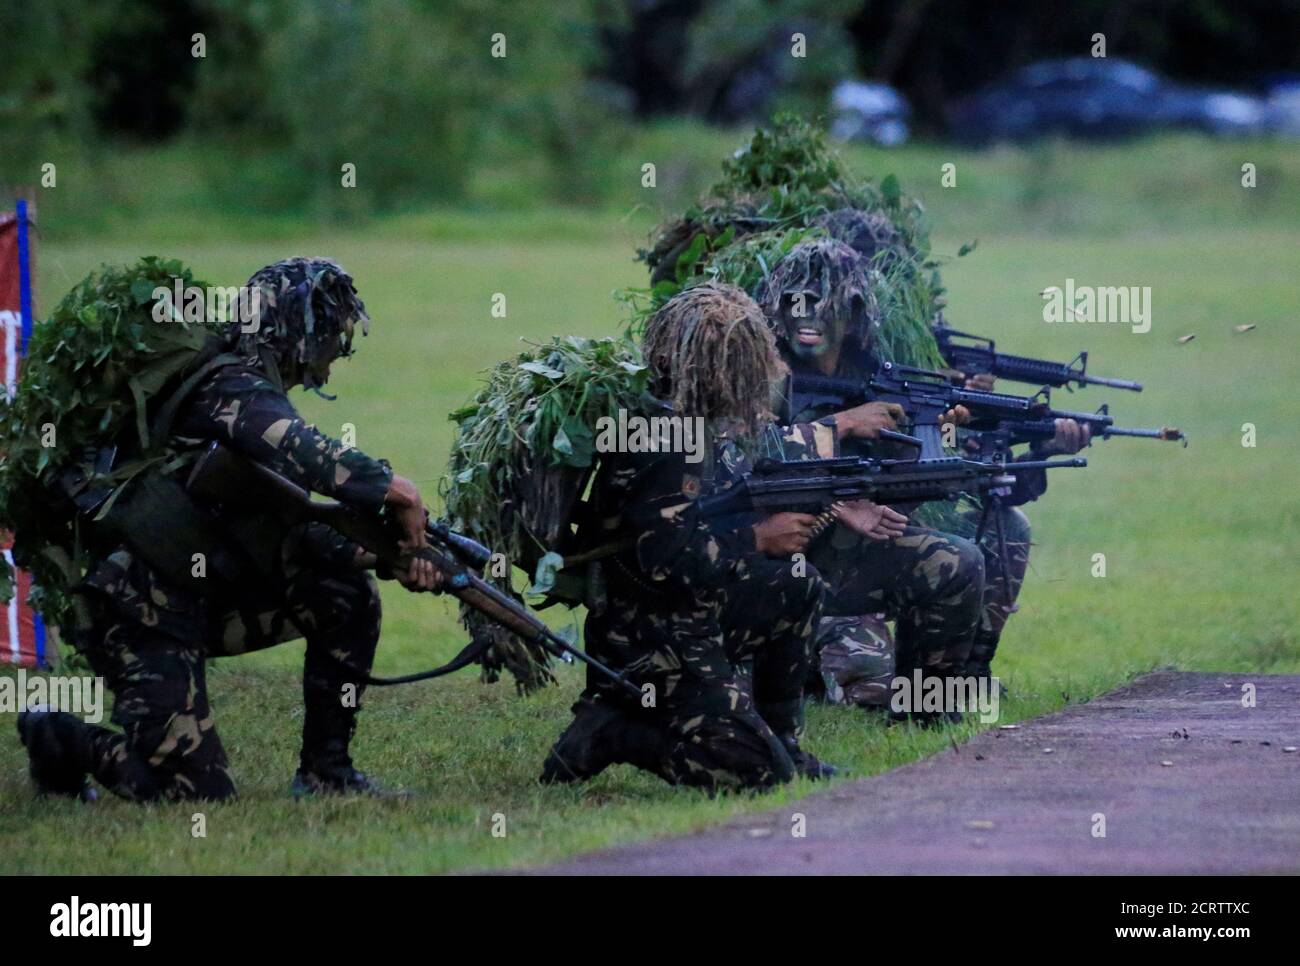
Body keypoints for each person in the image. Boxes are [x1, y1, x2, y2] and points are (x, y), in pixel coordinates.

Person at [17, 257, 438, 802]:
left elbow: (297, 523)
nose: (331, 366)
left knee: (346, 594)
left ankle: (326, 774)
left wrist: (391, 559)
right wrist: (395, 488)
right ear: (294, 332)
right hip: (139, 612)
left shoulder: (247, 391)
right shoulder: (229, 386)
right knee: (192, 794)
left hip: (200, 596)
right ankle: (59, 736)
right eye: (330, 345)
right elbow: (309, 455)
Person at [540, 282, 899, 790]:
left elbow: (717, 504)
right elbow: (665, 562)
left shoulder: (686, 418)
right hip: (649, 633)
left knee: (795, 585)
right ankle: (612, 729)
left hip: (692, 608)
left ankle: (786, 742)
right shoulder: (668, 438)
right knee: (751, 771)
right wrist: (757, 539)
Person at [759, 238, 986, 717]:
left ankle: (928, 712)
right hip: (771, 556)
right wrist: (843, 426)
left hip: (848, 553)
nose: (808, 317)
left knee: (958, 559)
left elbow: (897, 484)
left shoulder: (875, 371)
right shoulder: (762, 370)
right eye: (795, 304)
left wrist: (936, 433)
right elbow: (746, 456)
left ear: (852, 312)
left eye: (823, 306)